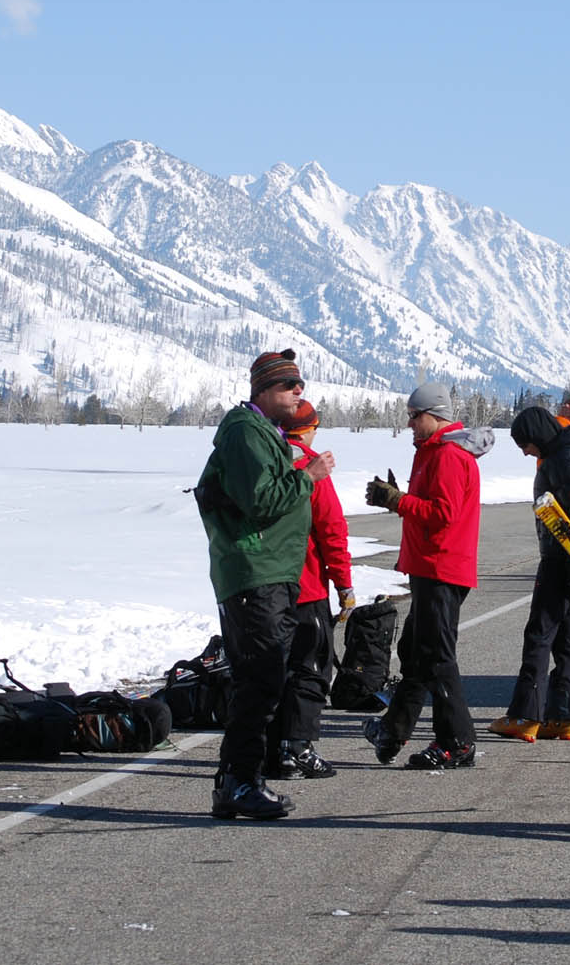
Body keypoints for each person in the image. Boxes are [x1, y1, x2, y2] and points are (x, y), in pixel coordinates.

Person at [196, 348, 334, 820]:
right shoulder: (245, 435)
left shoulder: (260, 434)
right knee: (260, 678)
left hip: (268, 571)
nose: (299, 392)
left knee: (263, 677)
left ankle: (238, 781)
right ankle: (239, 781)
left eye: (300, 385)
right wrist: (308, 477)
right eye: (288, 386)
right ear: (263, 391)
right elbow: (261, 500)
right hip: (254, 570)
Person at [363, 384, 492, 770]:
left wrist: (397, 501)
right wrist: (399, 498)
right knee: (417, 652)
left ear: (435, 415)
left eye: (414, 416)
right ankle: (393, 730)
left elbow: (443, 513)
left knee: (436, 656)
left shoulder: (448, 456)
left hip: (441, 567)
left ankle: (457, 742)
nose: (409, 423)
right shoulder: (433, 452)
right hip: (430, 566)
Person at [492, 407, 570, 742]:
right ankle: (564, 716)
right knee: (569, 636)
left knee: (540, 634)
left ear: (538, 436)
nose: (526, 452)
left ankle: (526, 715)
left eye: (525, 444)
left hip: (564, 560)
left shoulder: (563, 460)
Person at [271, 399, 353, 781]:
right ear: (308, 429)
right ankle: (298, 747)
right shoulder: (312, 468)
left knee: (273, 669)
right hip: (305, 587)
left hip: (265, 588)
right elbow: (331, 530)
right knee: (311, 668)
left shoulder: (267, 463)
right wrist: (343, 583)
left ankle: (271, 748)